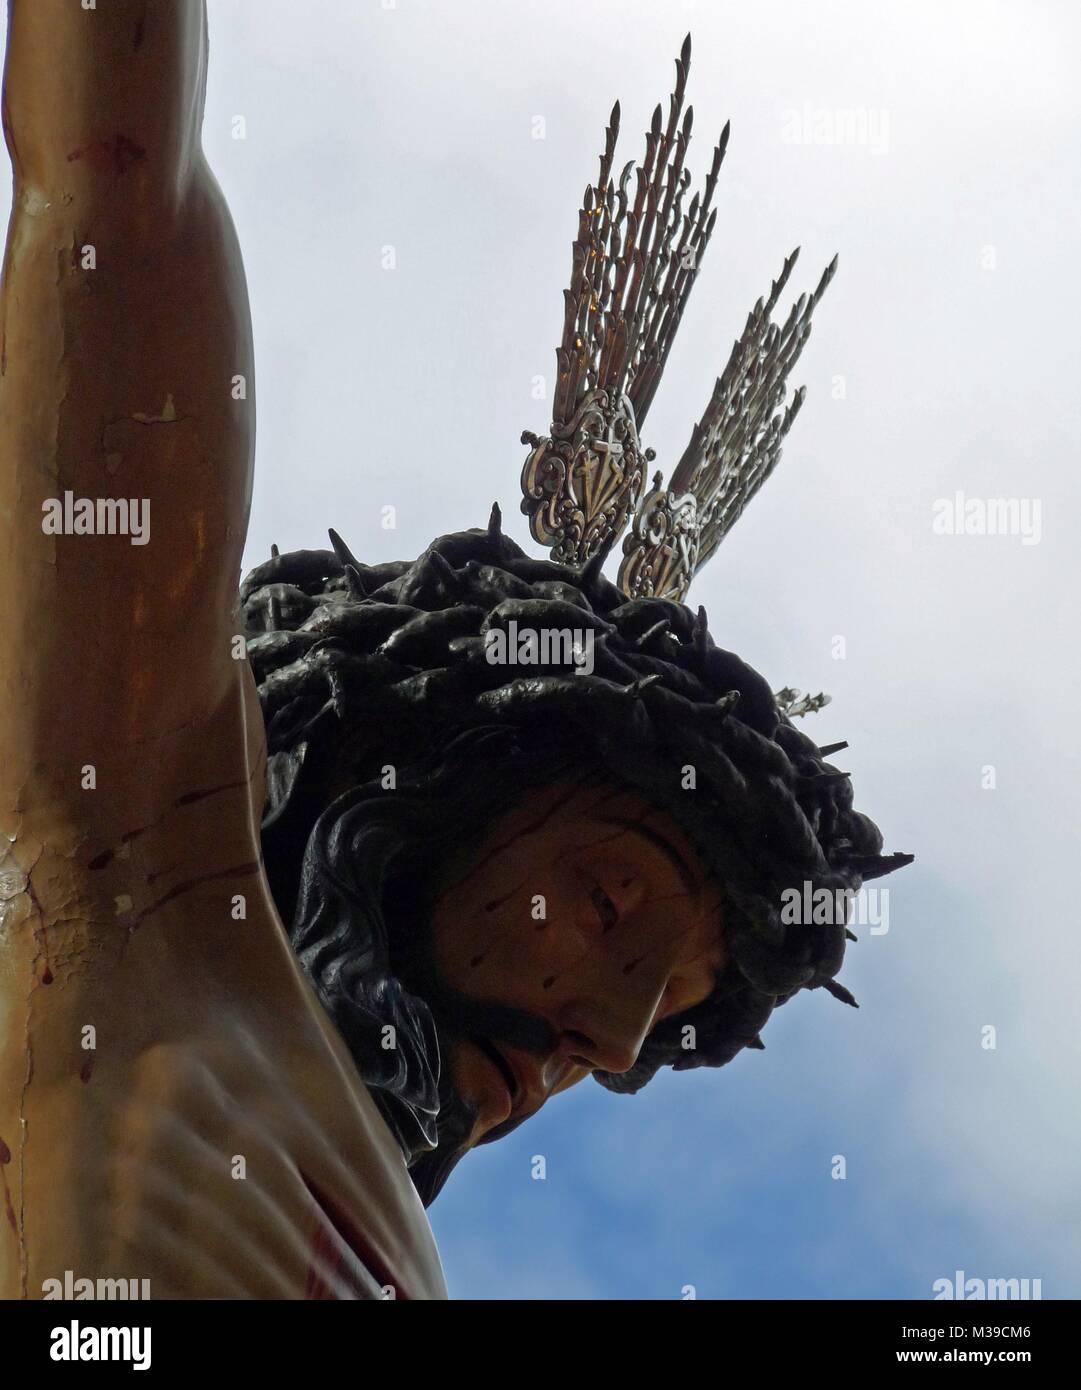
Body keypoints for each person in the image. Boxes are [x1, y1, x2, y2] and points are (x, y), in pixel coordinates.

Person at [0, 3, 908, 1300]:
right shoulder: (138, 882)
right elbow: (114, 195)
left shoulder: (405, 1252)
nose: (604, 1037)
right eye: (604, 906)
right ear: (431, 788)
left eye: (659, 1017)